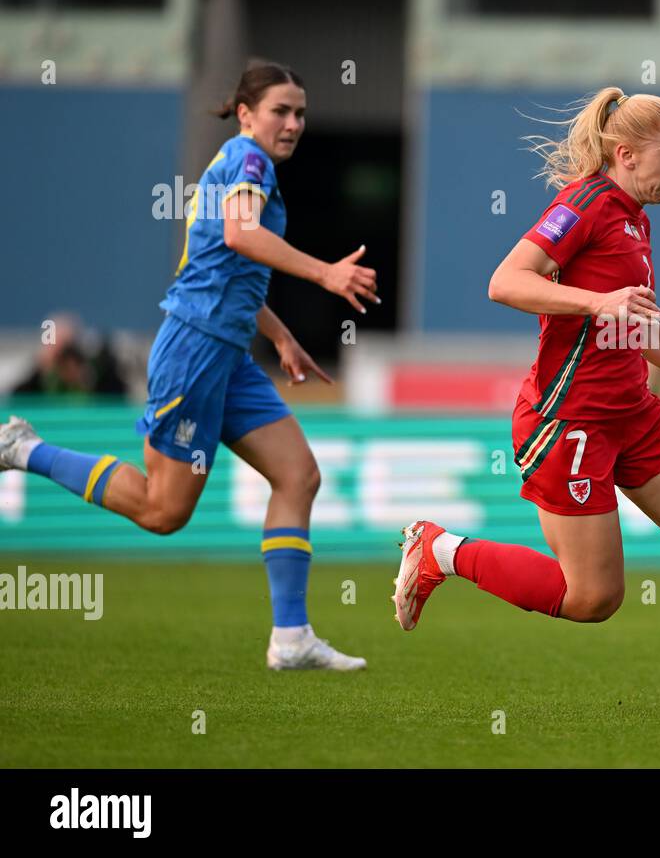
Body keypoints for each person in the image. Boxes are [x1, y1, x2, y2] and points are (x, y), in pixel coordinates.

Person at [391, 86, 660, 716]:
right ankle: (440, 549)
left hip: (634, 412)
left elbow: (636, 326)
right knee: (593, 598)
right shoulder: (584, 204)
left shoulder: (635, 217)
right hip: (569, 421)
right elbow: (505, 281)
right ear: (625, 153)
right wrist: (597, 302)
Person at [0, 62, 377, 671]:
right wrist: (326, 272)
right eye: (281, 110)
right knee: (163, 511)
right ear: (248, 113)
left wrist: (278, 335)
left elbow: (225, 265)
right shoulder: (248, 160)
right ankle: (23, 449)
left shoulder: (242, 164)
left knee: (299, 476)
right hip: (196, 350)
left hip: (226, 352)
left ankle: (291, 637)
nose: (294, 123)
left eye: (301, 113)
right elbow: (239, 236)